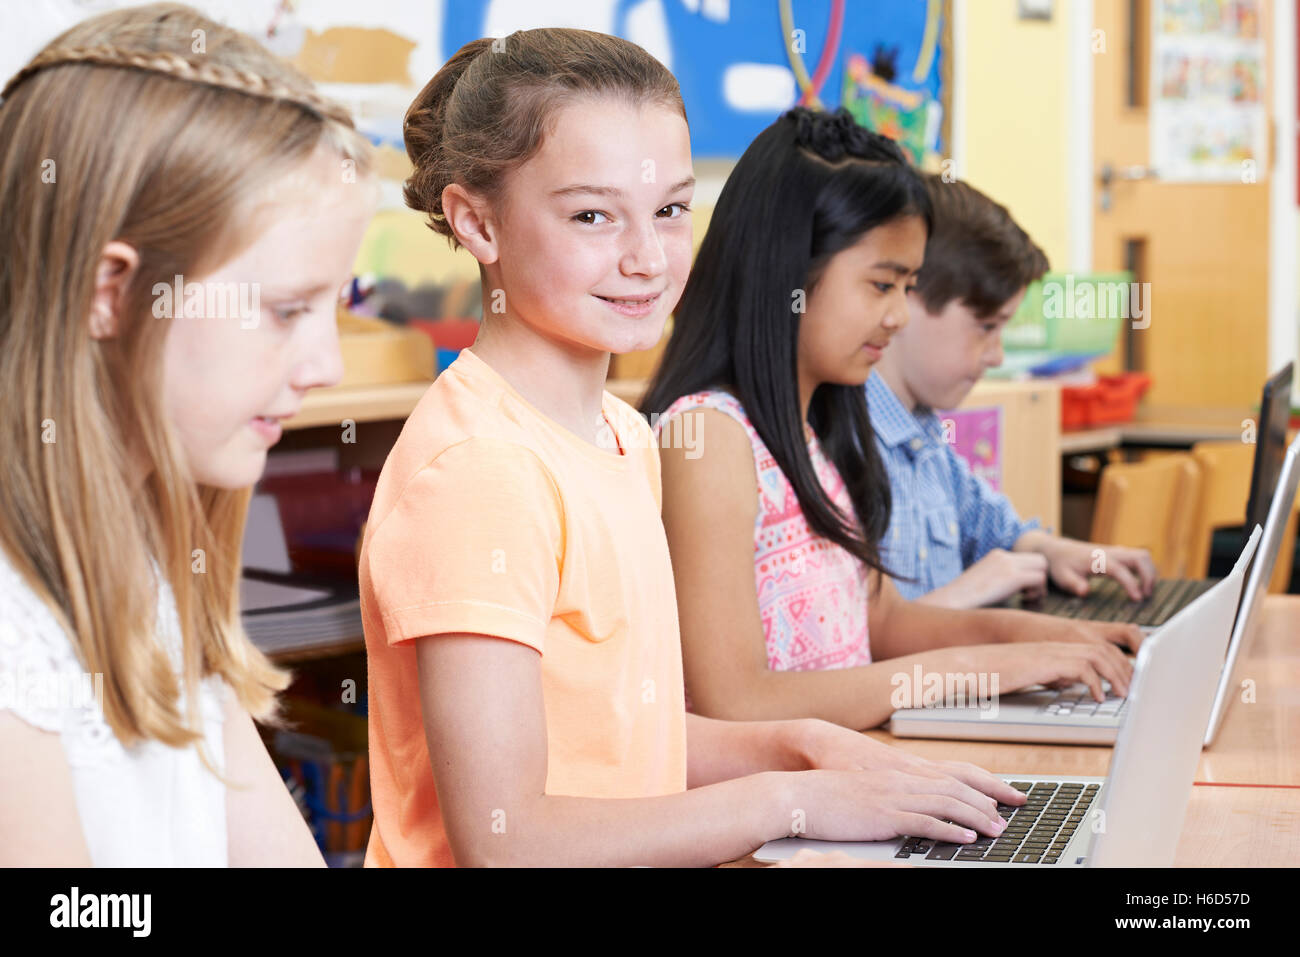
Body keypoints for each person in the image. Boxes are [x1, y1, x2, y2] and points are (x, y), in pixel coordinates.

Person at [360, 30, 1023, 868]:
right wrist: (793, 800)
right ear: (476, 221)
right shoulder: (481, 471)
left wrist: (810, 749)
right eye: (592, 215)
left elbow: (629, 738)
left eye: (670, 210)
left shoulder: (625, 435)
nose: (646, 258)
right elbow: (509, 839)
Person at [0, 2, 377, 866]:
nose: (327, 367)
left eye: (338, 307)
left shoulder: (150, 564)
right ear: (112, 293)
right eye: (286, 310)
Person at [644, 108, 1142, 732]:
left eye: (909, 287)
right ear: (788, 276)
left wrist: (1052, 640)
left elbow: (884, 623)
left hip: (852, 775)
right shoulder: (709, 439)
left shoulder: (820, 426)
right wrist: (985, 670)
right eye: (882, 285)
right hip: (772, 817)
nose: (901, 316)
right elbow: (738, 703)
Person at [868, 173, 1157, 608]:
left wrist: (1050, 550)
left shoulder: (921, 429)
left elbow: (991, 527)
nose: (998, 355)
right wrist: (966, 595)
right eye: (986, 327)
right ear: (907, 296)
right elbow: (849, 647)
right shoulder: (841, 445)